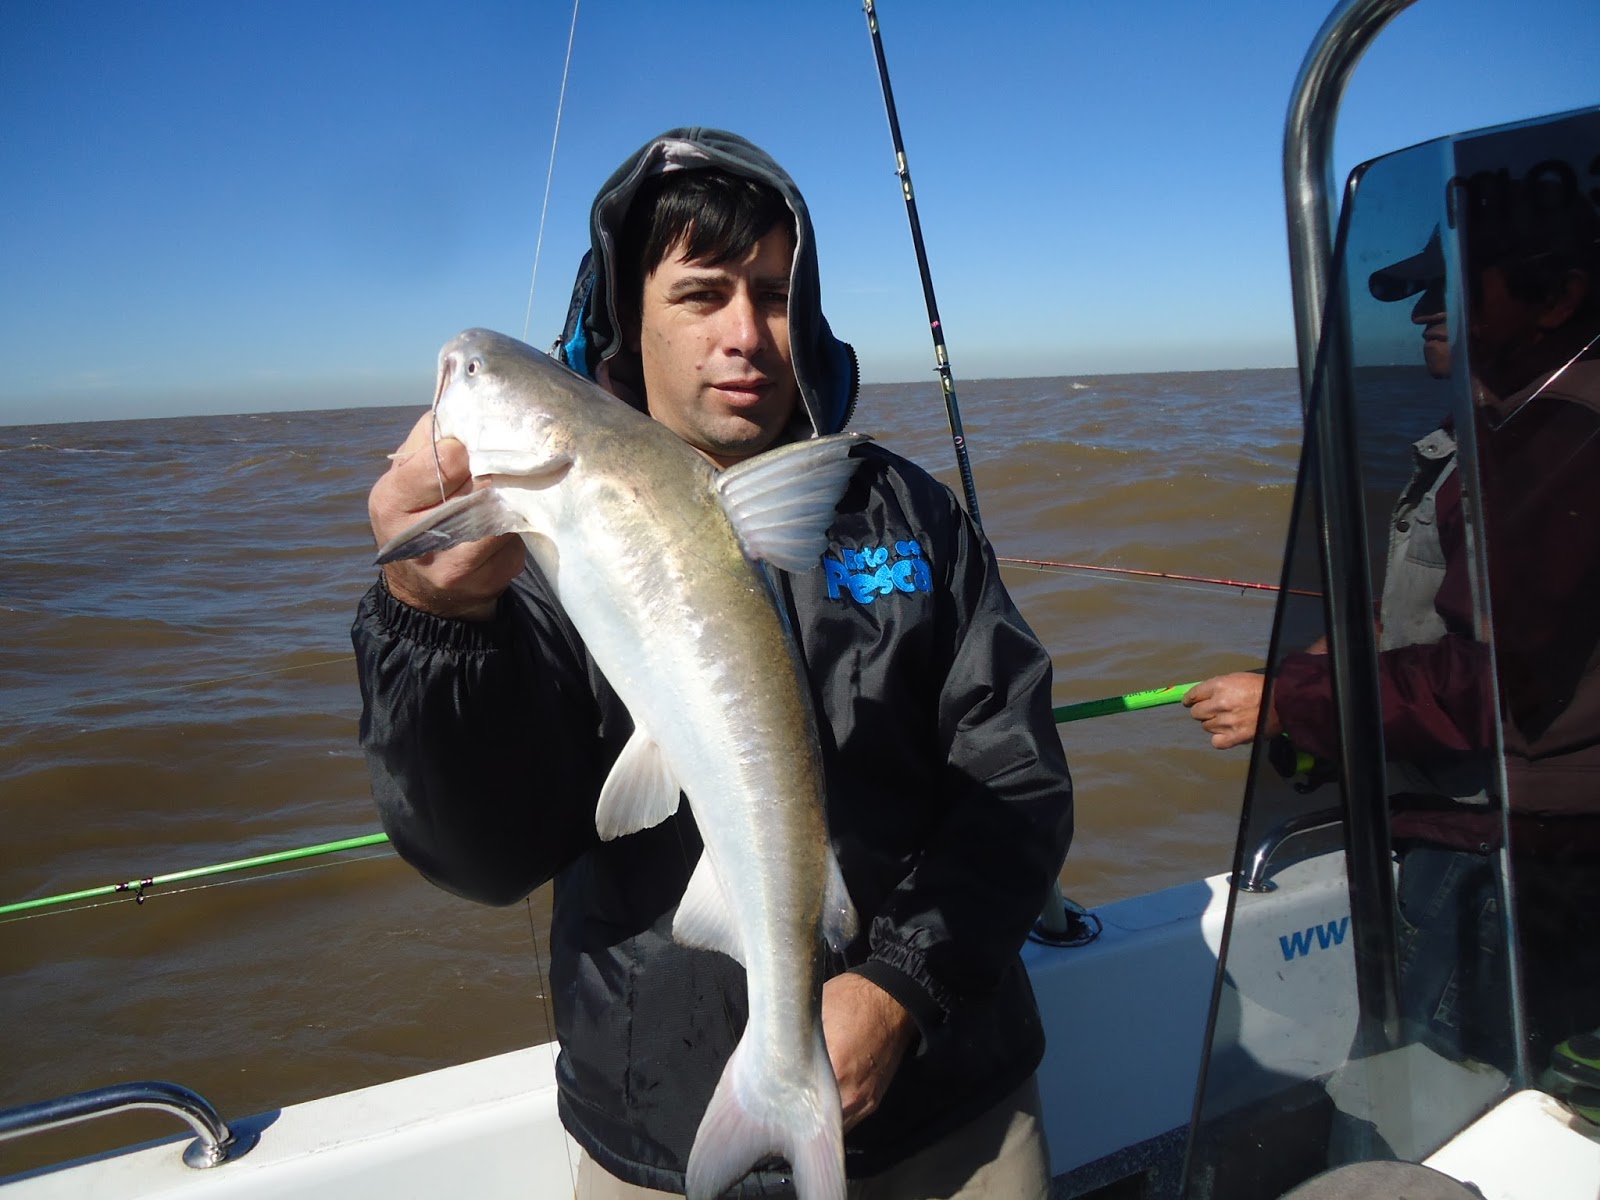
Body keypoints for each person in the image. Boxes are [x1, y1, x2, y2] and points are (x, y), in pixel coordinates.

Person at [352, 127, 1074, 1198]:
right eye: (700, 295)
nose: (747, 334)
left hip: (947, 1097)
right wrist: (433, 616)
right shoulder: (518, 561)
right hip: (661, 1127)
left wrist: (900, 985)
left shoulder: (904, 509)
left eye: (776, 294)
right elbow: (484, 857)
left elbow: (1016, 779)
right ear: (625, 322)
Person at [1183, 168, 1600, 1072]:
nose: (1426, 312)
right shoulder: (1501, 436)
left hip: (1508, 863)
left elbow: (1494, 683)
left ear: (1560, 296)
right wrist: (1342, 656)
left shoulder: (1560, 449)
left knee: (1405, 1114)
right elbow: (1459, 615)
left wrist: (1290, 699)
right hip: (1483, 841)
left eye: (1455, 283)